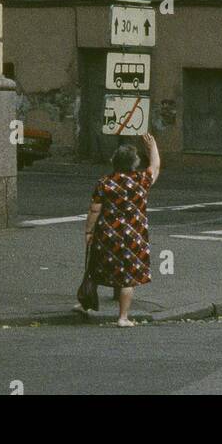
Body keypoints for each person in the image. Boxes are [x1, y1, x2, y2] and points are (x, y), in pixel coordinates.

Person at [79, 132, 160, 327]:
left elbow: (95, 210)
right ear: (134, 163)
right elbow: (155, 166)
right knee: (127, 278)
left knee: (96, 269)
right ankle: (123, 317)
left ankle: (84, 304)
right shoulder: (141, 180)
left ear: (114, 161)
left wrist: (88, 232)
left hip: (107, 233)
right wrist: (152, 146)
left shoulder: (105, 182)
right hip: (134, 235)